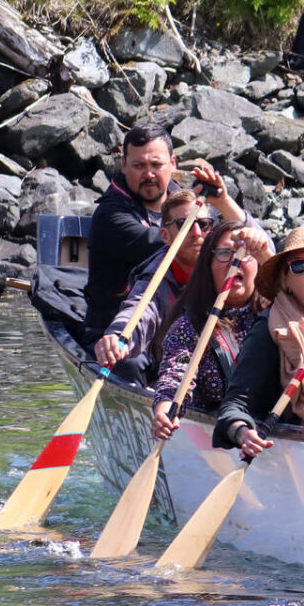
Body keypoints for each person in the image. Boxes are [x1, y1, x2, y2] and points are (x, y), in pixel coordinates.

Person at [85, 122, 242, 346]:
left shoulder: (185, 201)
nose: (148, 174)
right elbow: (160, 242)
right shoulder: (110, 216)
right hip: (119, 331)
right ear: (124, 165)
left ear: (172, 163)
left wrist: (223, 202)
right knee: (130, 363)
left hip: (187, 321)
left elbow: (239, 236)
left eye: (156, 165)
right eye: (139, 165)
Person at [214, 227, 304, 458]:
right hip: (287, 460)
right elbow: (235, 405)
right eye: (299, 266)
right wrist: (242, 433)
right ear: (286, 281)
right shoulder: (269, 331)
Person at [150, 221, 271, 439]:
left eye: (246, 254)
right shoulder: (190, 326)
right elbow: (174, 376)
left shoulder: (277, 313)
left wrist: (263, 252)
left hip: (271, 429)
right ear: (209, 265)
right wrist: (165, 411)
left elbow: (293, 289)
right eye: (225, 253)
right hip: (216, 439)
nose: (236, 261)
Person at [89, 184, 210, 386]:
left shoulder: (227, 265)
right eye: (185, 224)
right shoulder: (154, 278)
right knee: (127, 364)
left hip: (220, 363)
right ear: (165, 235)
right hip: (173, 368)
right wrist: (117, 337)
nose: (197, 232)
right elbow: (138, 311)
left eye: (204, 224)